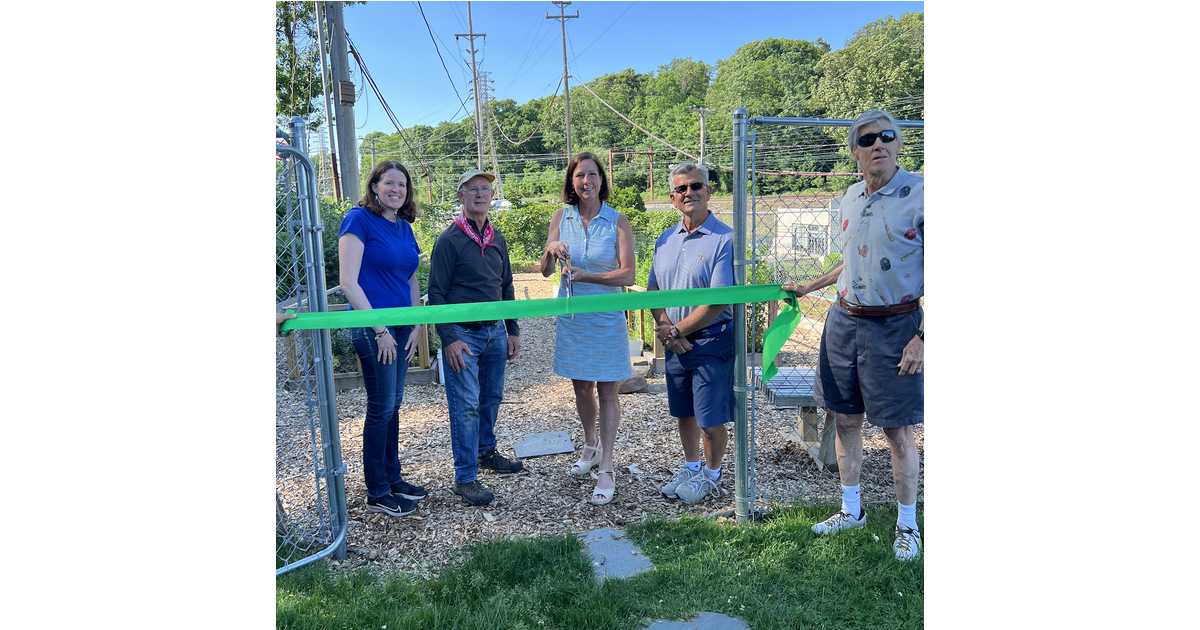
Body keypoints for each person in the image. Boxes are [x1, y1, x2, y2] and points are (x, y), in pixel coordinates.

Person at [782, 109, 924, 561]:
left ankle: (908, 524)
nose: (878, 144)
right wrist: (810, 286)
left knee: (897, 431)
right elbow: (851, 259)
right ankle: (851, 509)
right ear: (855, 153)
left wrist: (922, 338)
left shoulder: (923, 195)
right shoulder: (849, 197)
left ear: (898, 144)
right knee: (844, 419)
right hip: (843, 322)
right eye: (867, 140)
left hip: (896, 325)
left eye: (887, 136)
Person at [540, 153, 636, 506]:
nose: (586, 181)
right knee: (581, 387)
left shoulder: (617, 220)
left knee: (608, 392)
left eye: (592, 175)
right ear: (572, 181)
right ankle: (591, 444)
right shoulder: (560, 217)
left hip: (606, 318)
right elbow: (546, 271)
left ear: (601, 180)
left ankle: (606, 466)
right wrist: (550, 249)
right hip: (574, 319)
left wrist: (587, 276)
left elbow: (628, 274)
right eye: (580, 175)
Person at [337, 160, 428, 518]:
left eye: (402, 185)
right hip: (373, 329)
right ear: (374, 186)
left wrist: (417, 324)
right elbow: (348, 283)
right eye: (389, 183)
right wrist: (380, 330)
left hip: (402, 328)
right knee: (380, 408)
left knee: (393, 405)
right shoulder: (358, 219)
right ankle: (377, 492)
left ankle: (392, 477)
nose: (396, 190)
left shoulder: (404, 227)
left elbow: (410, 278)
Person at [428, 169, 524, 506]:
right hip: (463, 335)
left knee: (491, 397)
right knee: (465, 405)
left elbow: (506, 286)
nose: (481, 194)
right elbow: (436, 294)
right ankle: (465, 476)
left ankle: (486, 452)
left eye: (485, 189)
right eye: (473, 190)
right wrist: (448, 339)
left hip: (494, 332)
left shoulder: (497, 239)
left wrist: (512, 329)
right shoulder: (449, 240)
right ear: (461, 196)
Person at [648, 162, 736, 505]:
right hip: (675, 344)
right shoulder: (664, 239)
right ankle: (691, 467)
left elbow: (718, 301)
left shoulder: (724, 239)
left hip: (711, 340)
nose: (689, 193)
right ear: (672, 198)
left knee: (710, 419)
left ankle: (711, 476)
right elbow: (654, 290)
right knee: (684, 412)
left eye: (696, 186)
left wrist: (675, 331)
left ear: (709, 191)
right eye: (681, 189)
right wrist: (669, 332)